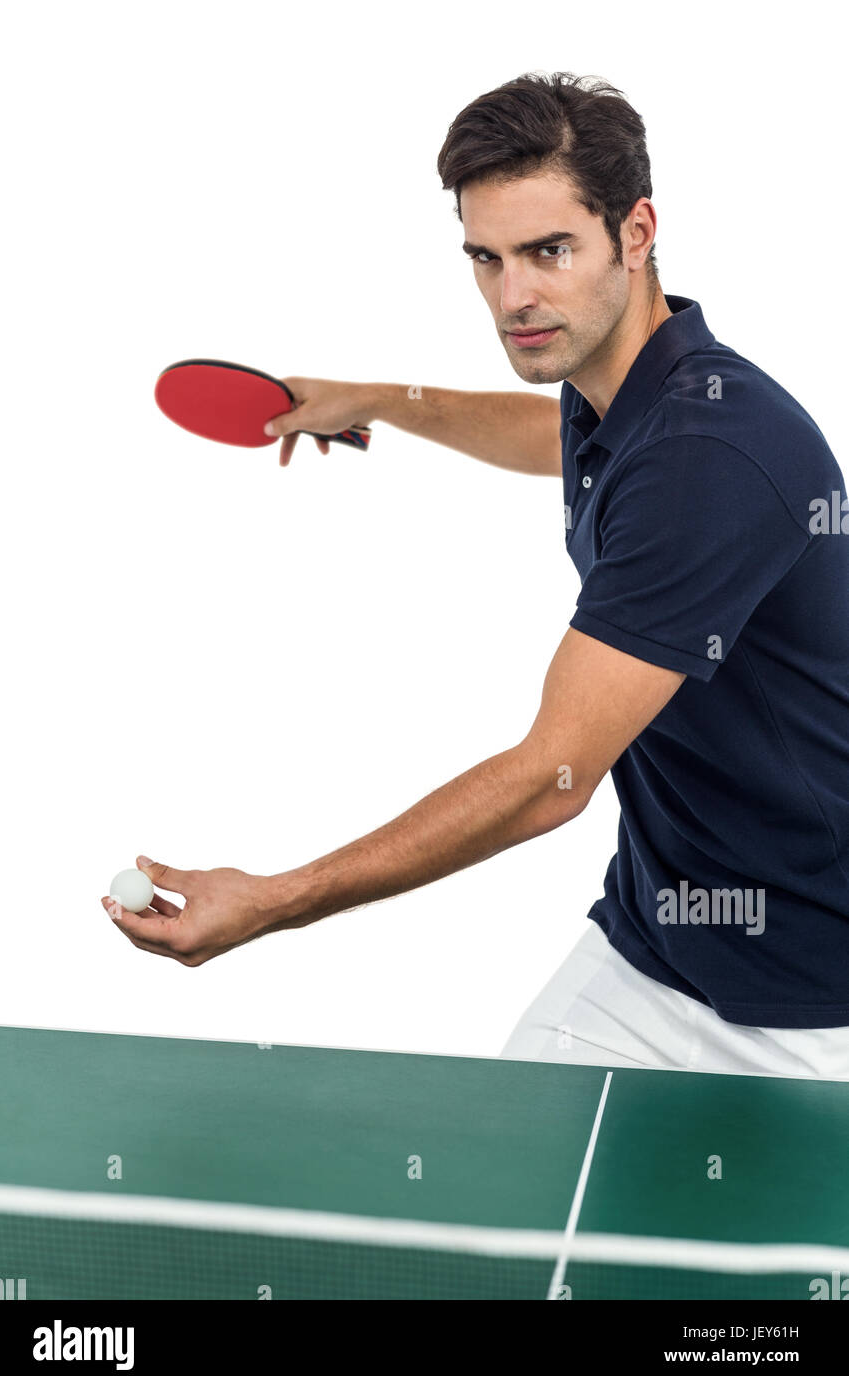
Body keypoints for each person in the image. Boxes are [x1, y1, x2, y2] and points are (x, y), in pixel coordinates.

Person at [102, 72, 849, 1080]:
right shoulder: (632, 389)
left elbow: (550, 779)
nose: (513, 298)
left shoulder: (707, 459)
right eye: (485, 259)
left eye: (547, 252)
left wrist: (277, 897)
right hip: (649, 947)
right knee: (503, 1233)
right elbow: (554, 435)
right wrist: (381, 400)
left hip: (808, 1002)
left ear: (634, 232)